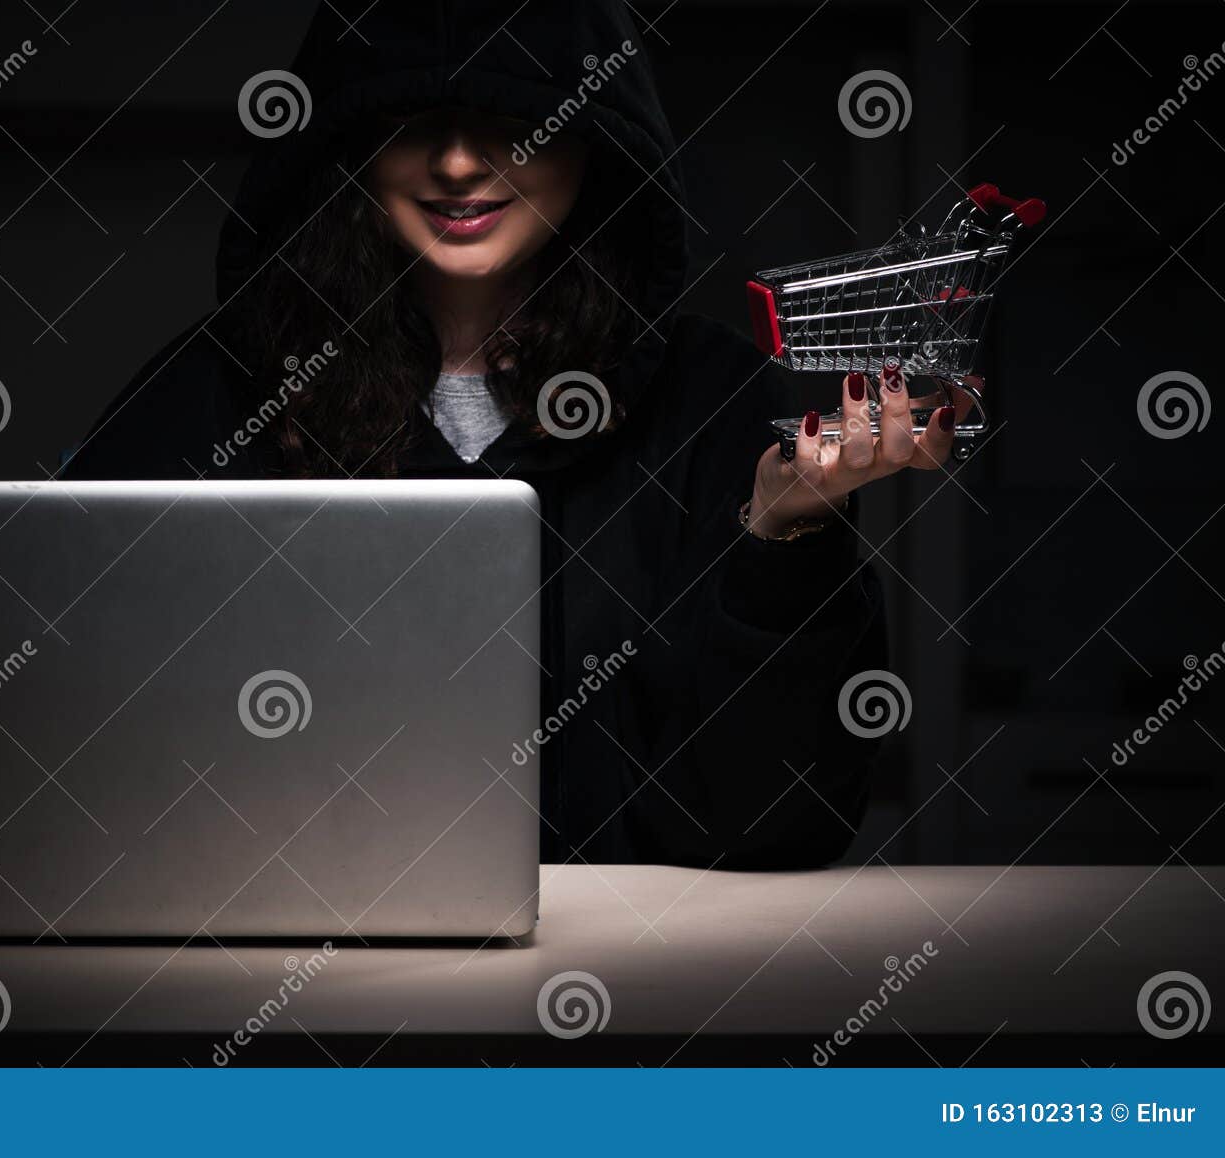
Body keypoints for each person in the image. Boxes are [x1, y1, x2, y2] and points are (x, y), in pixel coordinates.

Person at [67, 1, 955, 868]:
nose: (458, 162)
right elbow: (79, 749)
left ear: (591, 135)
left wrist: (780, 537)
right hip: (293, 985)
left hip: (634, 986)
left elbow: (774, 828)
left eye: (510, 117)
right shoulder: (220, 391)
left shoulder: (707, 397)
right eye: (413, 120)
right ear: (350, 145)